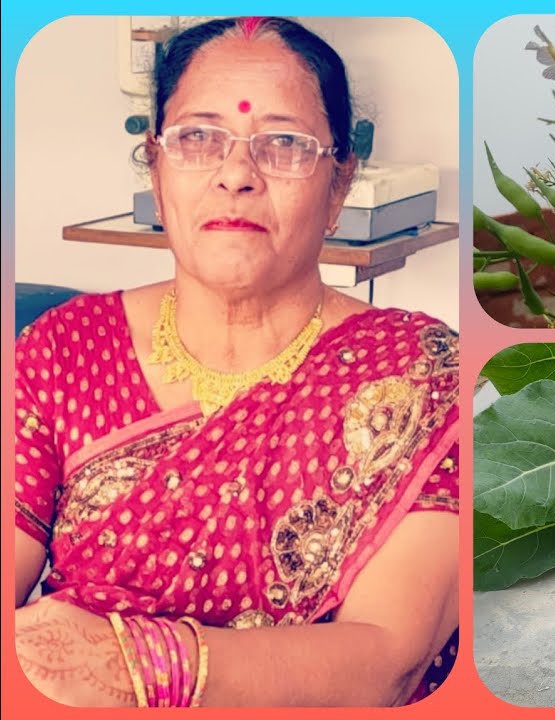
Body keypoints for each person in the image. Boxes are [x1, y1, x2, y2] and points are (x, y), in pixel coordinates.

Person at [12, 16, 459, 707]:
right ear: (156, 172)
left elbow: (387, 659)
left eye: (283, 143)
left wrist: (137, 666)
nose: (236, 175)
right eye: (197, 138)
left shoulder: (423, 371)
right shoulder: (62, 350)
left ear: (339, 185)